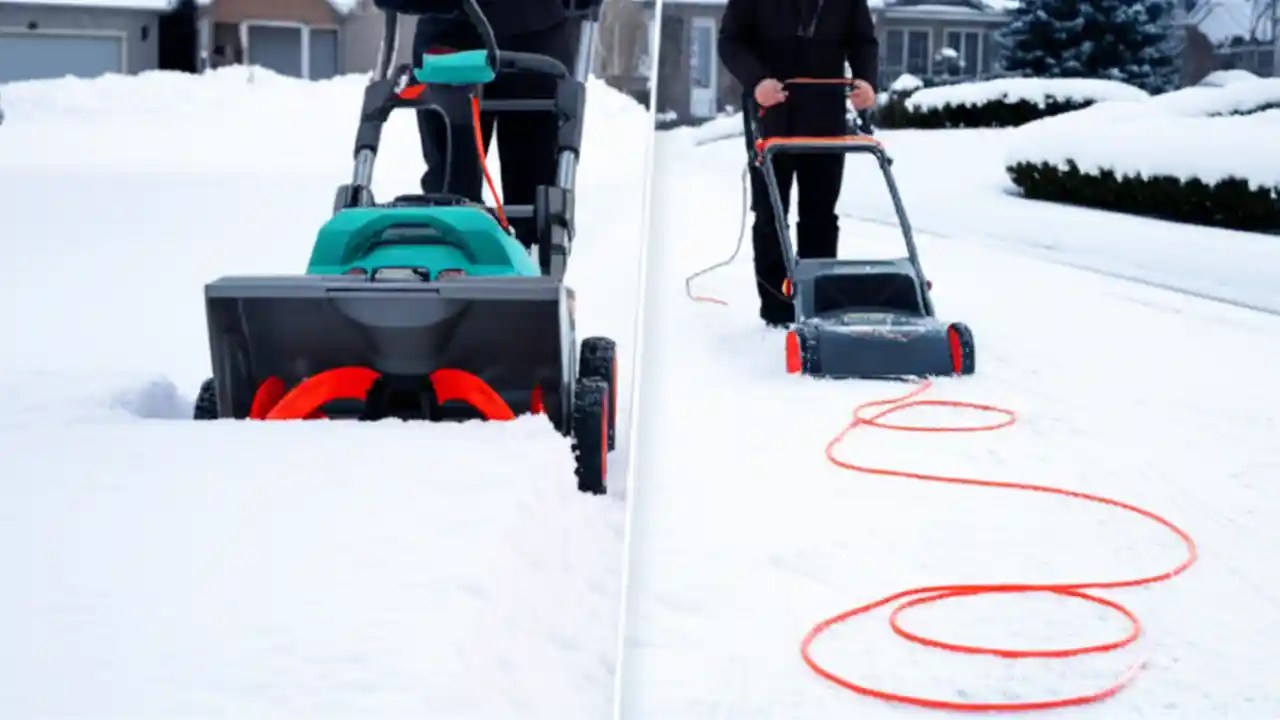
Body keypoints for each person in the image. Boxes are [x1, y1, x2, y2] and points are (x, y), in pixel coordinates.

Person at [718, 0, 879, 327]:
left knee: (820, 214)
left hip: (825, 115)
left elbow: (862, 40)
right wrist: (757, 80)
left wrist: (866, 80)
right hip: (771, 114)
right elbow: (731, 41)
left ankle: (818, 305)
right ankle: (777, 310)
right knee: (771, 216)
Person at [412, 0, 575, 248]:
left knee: (526, 187)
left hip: (526, 34)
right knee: (454, 187)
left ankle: (522, 251)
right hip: (462, 34)